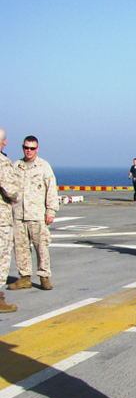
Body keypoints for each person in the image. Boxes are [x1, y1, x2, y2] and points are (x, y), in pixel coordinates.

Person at [8, 136, 58, 291]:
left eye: (31, 148)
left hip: (37, 214)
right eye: (26, 147)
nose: (28, 151)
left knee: (41, 247)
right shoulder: (16, 166)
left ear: (37, 149)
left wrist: (51, 211)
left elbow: (51, 189)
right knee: (21, 247)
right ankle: (24, 277)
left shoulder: (43, 166)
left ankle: (44, 276)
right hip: (18, 214)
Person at [0, 128, 20, 311]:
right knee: (2, 257)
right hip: (1, 219)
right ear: (4, 142)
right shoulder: (3, 162)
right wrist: (16, 196)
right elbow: (11, 190)